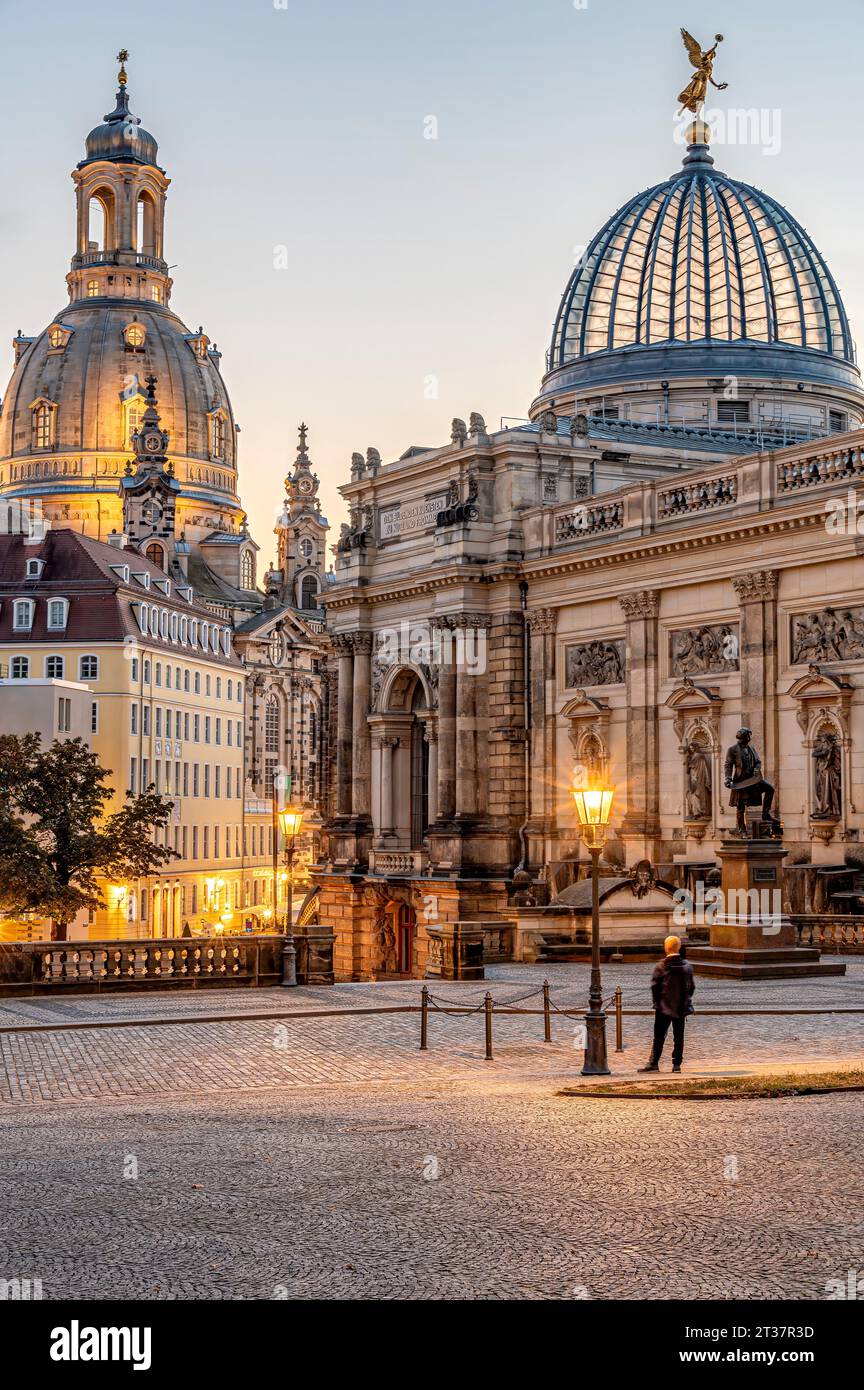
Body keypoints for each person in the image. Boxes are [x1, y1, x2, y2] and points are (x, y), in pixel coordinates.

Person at [638, 935, 695, 1073]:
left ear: (666, 948)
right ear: (679, 947)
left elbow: (655, 987)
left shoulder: (661, 966)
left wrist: (657, 1003)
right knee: (679, 1037)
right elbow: (691, 987)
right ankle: (676, 1065)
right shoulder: (687, 967)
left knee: (659, 1036)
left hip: (663, 1008)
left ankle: (654, 1063)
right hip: (680, 1007)